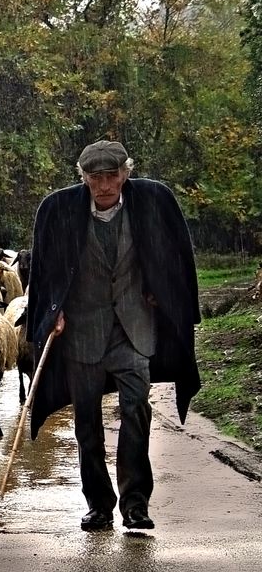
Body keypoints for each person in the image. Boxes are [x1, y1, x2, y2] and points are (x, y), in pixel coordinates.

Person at [26, 139, 201, 531]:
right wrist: (52, 312)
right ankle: (99, 505)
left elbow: (172, 254)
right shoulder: (59, 210)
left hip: (133, 328)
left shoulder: (152, 202)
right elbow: (47, 270)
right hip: (83, 332)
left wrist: (162, 291)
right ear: (83, 177)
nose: (104, 185)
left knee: (136, 409)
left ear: (126, 173)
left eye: (112, 175)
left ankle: (135, 504)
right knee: (86, 422)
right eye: (95, 177)